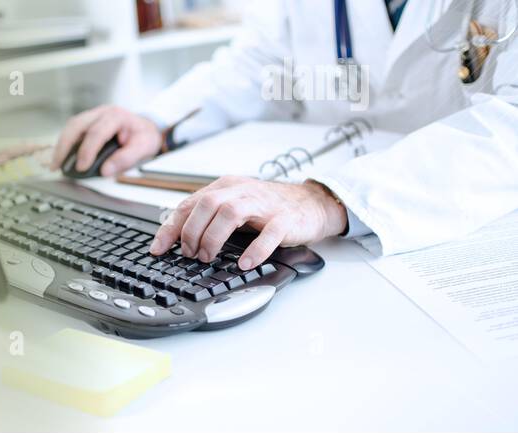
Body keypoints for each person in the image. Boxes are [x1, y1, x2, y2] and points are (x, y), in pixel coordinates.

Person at [52, 0, 518, 271]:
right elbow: (260, 64)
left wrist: (327, 199)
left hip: (464, 238)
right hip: (341, 256)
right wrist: (156, 121)